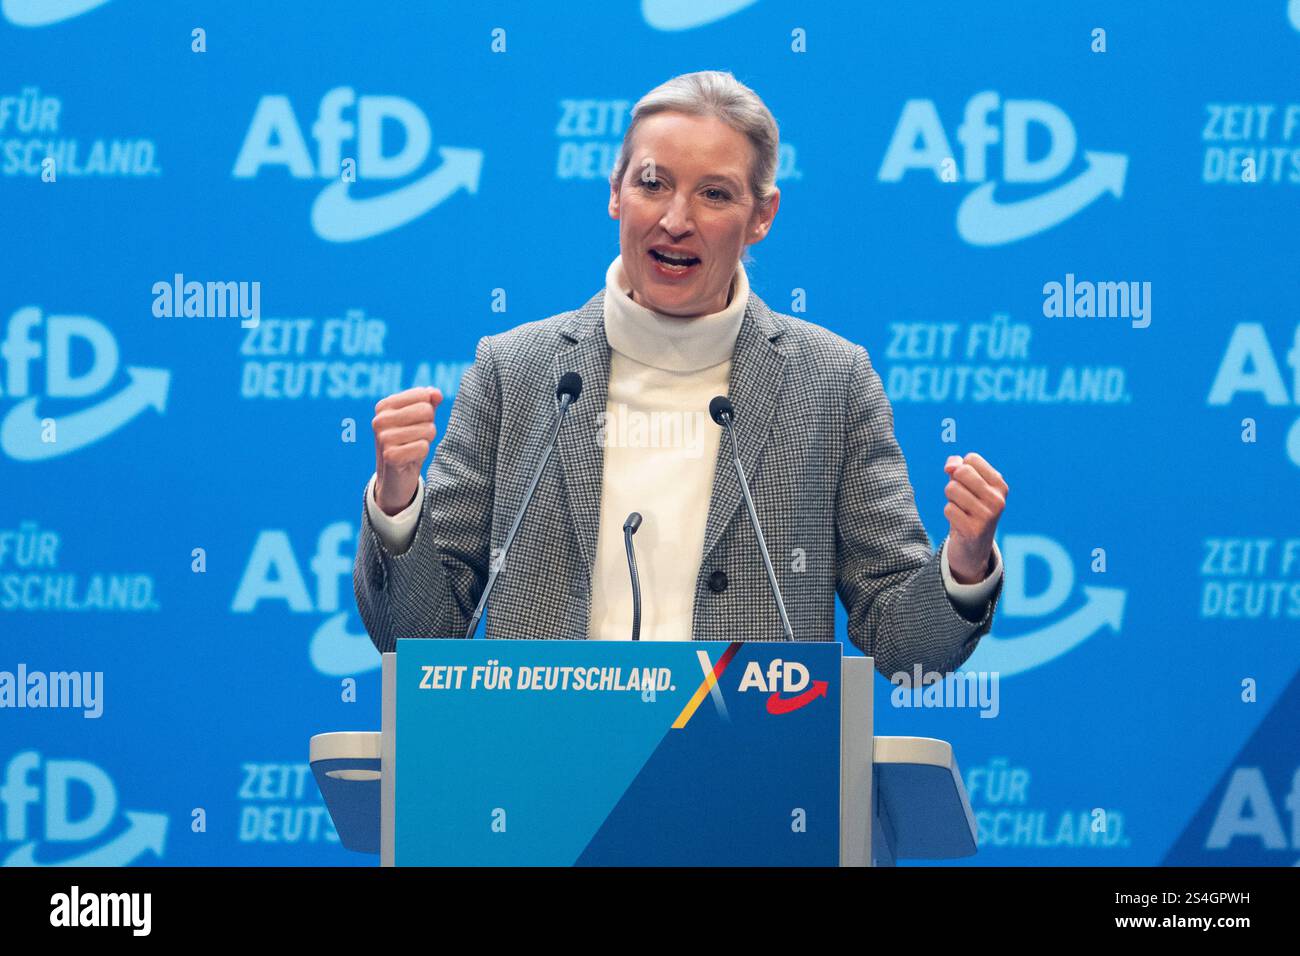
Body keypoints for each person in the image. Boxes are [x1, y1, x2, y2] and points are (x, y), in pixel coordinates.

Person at [353, 70, 1008, 678]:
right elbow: (419, 642)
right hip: (543, 776)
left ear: (761, 215)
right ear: (615, 192)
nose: (675, 219)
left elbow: (904, 649)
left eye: (714, 193)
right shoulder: (515, 371)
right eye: (652, 183)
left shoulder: (831, 382)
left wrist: (966, 562)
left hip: (747, 779)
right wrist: (396, 503)